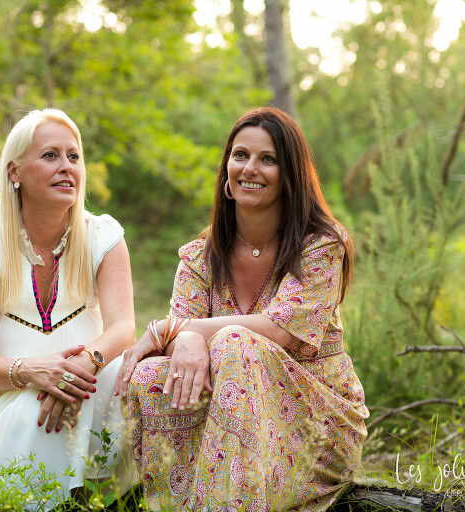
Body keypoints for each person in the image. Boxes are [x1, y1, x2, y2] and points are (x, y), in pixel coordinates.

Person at [115, 107, 369, 511]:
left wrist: (187, 330)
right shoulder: (200, 257)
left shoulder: (320, 245)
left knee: (236, 343)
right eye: (240, 155)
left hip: (315, 427)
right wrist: (186, 335)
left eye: (268, 159)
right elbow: (180, 337)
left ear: (290, 177)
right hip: (225, 422)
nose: (250, 168)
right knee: (148, 376)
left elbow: (283, 330)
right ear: (226, 172)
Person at [0, 109, 135, 508]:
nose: (66, 167)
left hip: (84, 383)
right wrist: (36, 372)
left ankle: (100, 496)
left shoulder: (104, 236)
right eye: (50, 156)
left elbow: (123, 331)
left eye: (73, 156)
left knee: (122, 371)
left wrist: (81, 365)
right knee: (41, 403)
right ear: (14, 172)